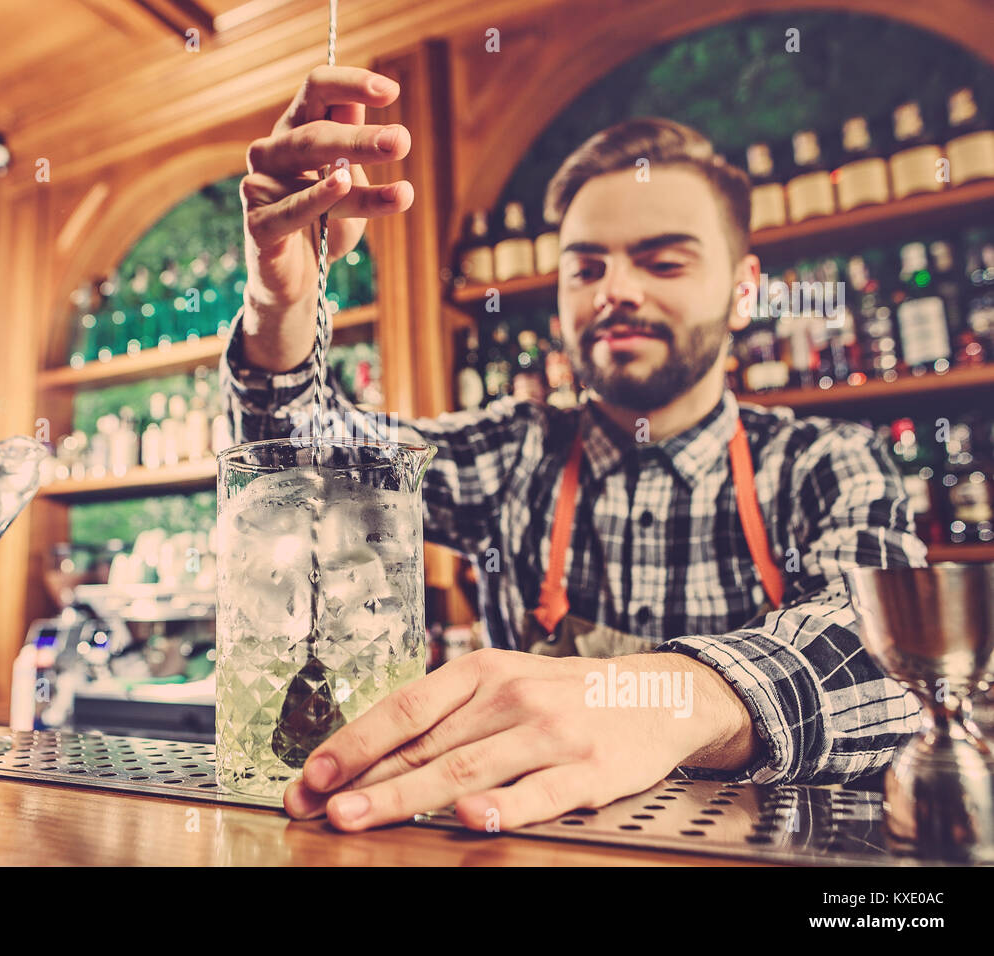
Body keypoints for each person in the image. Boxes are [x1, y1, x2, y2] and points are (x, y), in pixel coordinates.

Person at [220, 65, 927, 833]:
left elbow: (894, 658)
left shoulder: (826, 462)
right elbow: (299, 468)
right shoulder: (517, 450)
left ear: (744, 288)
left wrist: (660, 699)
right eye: (586, 266)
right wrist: (280, 300)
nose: (614, 291)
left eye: (663, 261)